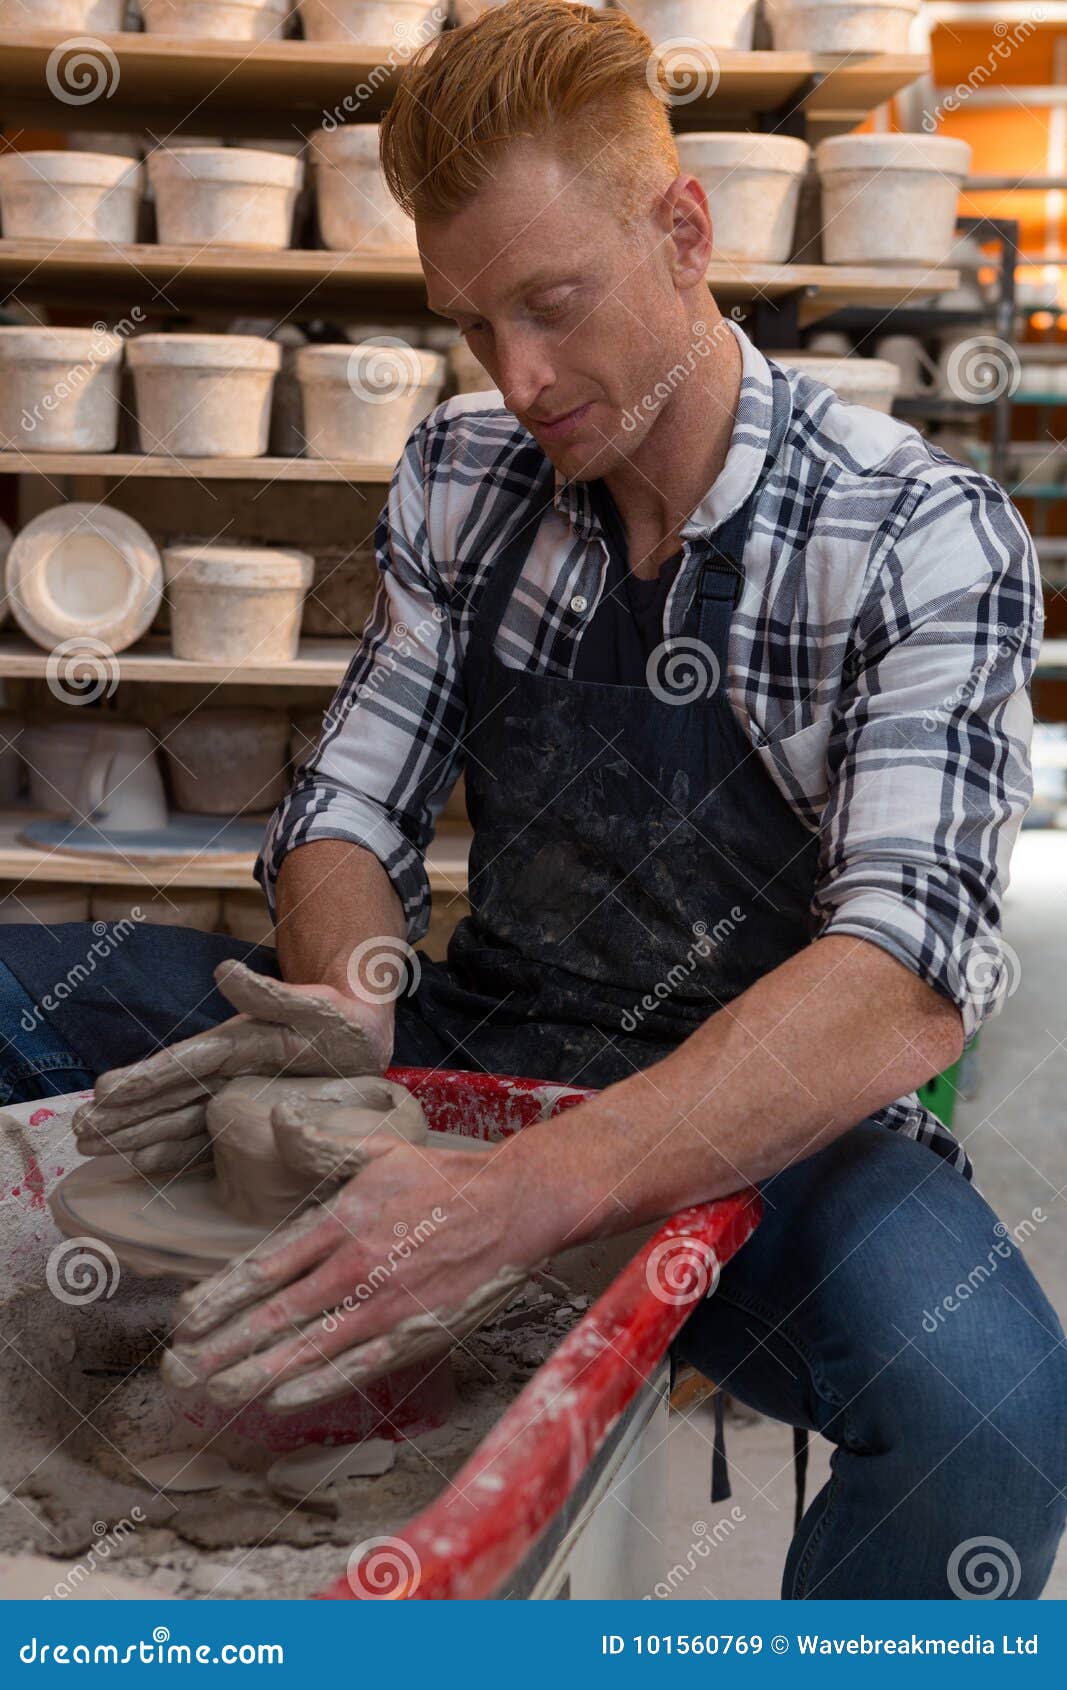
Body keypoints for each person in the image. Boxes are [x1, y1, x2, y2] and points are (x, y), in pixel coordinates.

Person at [1, 1, 1063, 1598]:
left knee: (1005, 1417)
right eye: (474, 322)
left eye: (553, 305)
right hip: (481, 1051)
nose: (519, 373)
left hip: (767, 1138)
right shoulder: (462, 471)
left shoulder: (918, 529)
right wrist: (345, 1029)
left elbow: (902, 986)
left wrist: (509, 1202)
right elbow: (349, 805)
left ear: (685, 231)